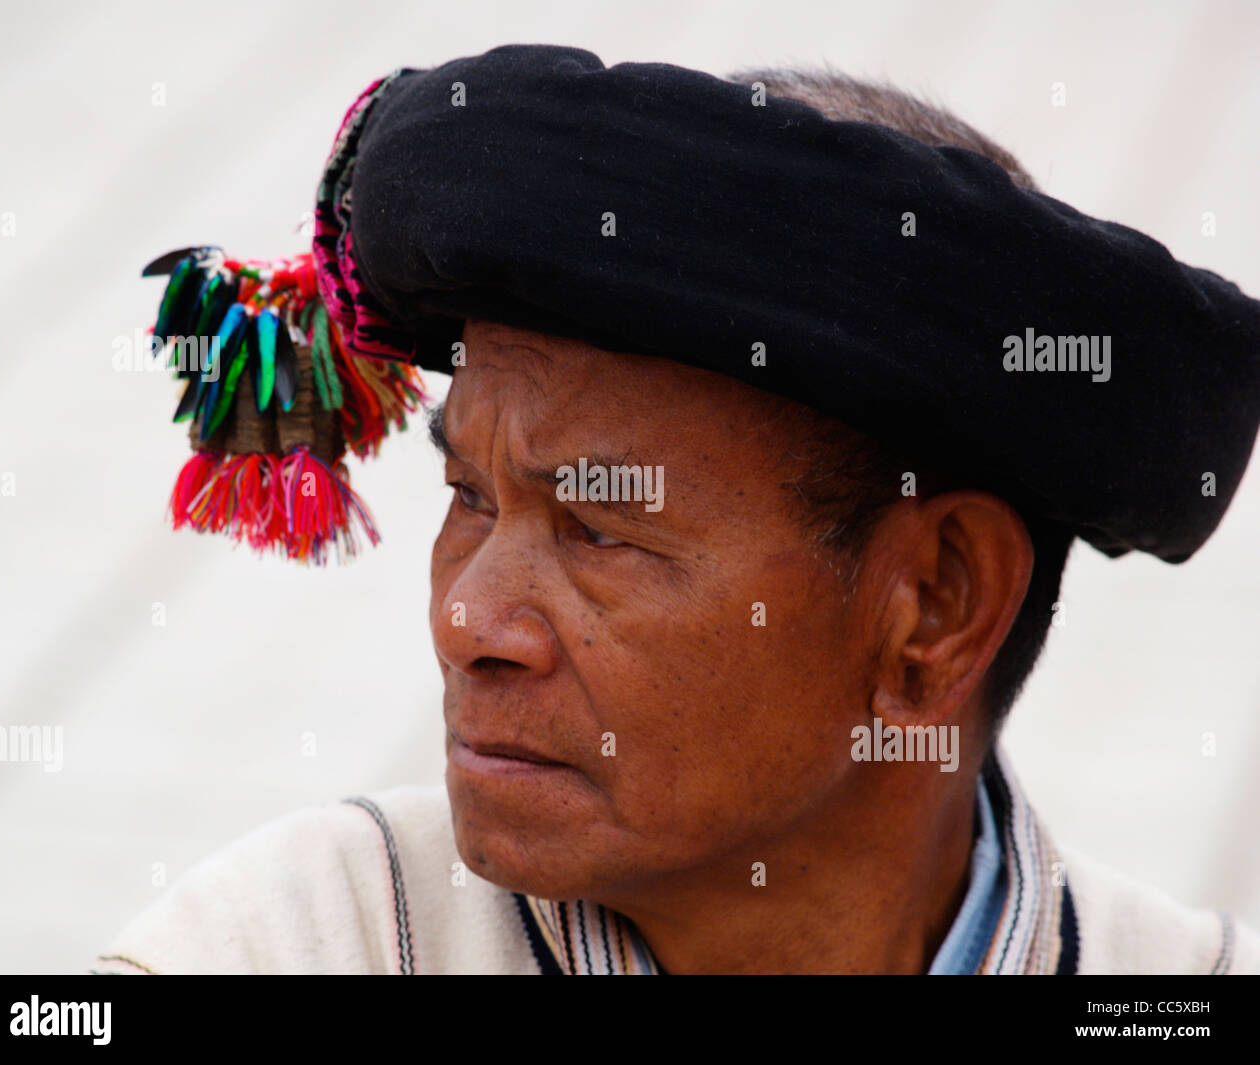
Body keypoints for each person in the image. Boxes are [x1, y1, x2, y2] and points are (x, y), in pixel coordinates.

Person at [95, 44, 1260, 975]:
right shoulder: (284, 950)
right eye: (467, 495)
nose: (469, 621)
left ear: (934, 607)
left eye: (600, 528)